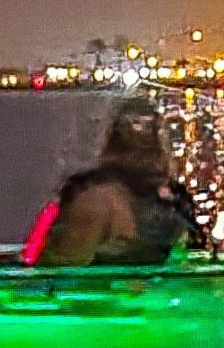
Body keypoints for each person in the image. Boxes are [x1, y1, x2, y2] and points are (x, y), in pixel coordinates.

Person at [17, 97, 208, 267]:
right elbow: (58, 277)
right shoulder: (98, 201)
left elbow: (54, 280)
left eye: (150, 130)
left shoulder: (171, 198)